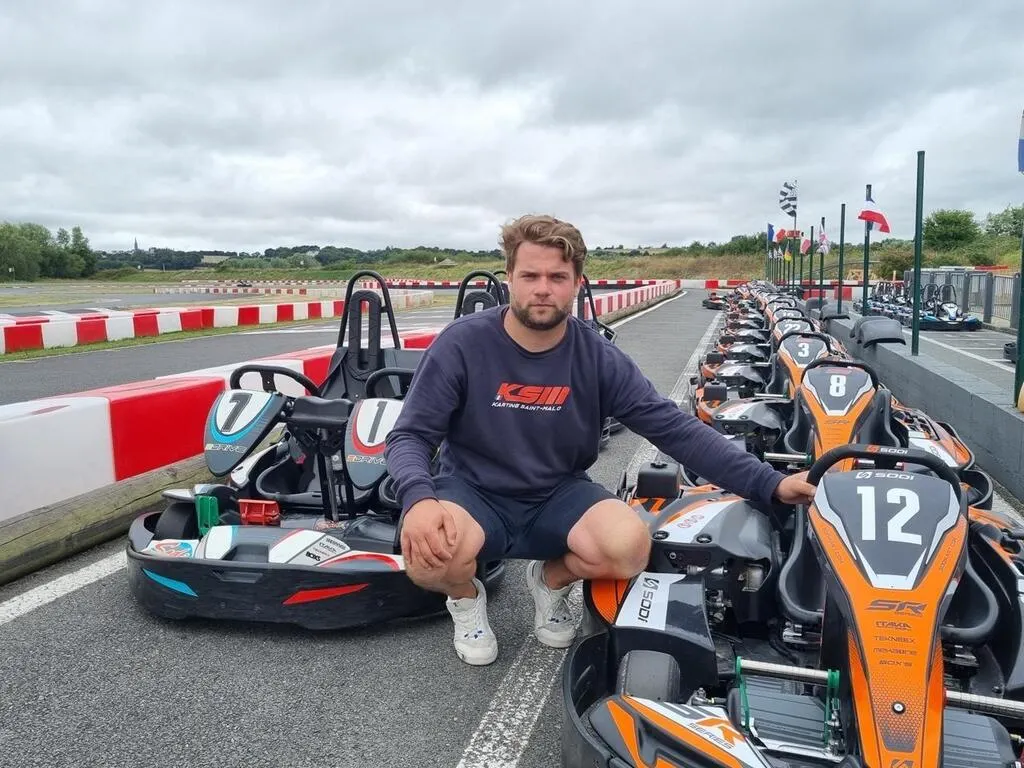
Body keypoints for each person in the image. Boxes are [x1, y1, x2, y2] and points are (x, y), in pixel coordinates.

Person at [383, 214, 815, 666]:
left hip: (555, 494)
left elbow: (675, 429)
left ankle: (549, 580)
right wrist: (419, 498)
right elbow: (409, 435)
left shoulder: (596, 357)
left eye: (557, 277)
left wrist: (770, 483)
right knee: (427, 555)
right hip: (471, 492)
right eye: (530, 276)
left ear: (576, 283)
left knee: (629, 547)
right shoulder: (462, 344)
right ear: (509, 278)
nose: (543, 289)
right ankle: (465, 598)